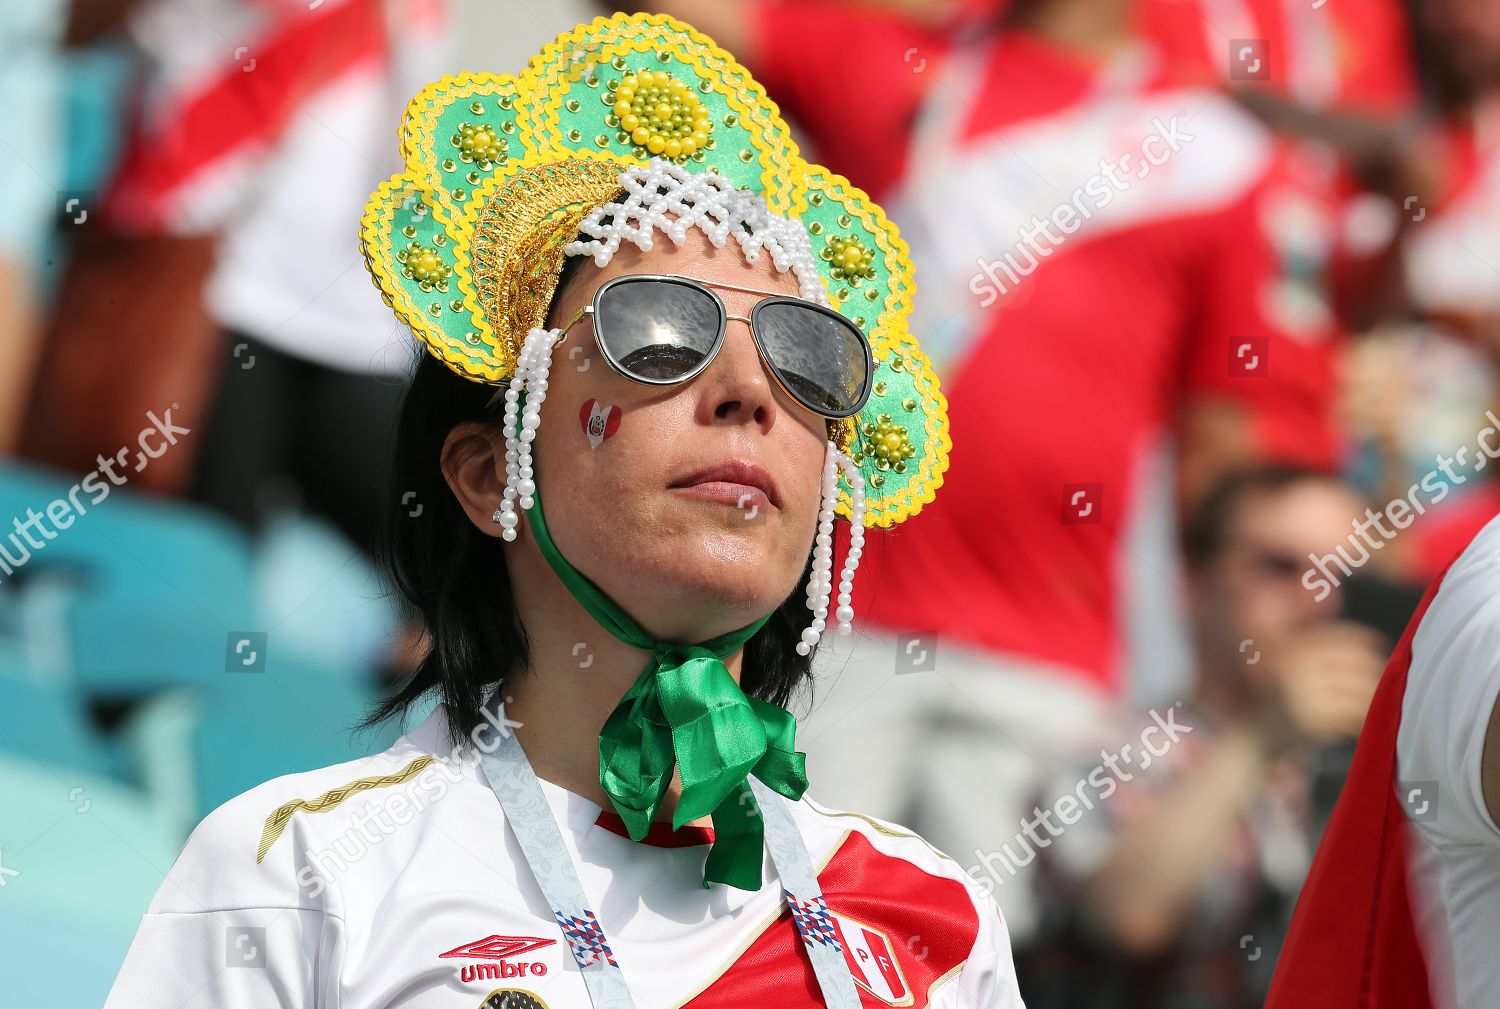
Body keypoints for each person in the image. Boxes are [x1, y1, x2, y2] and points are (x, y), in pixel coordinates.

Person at [102, 13, 1025, 1007]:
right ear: (493, 473)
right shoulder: (299, 875)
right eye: (661, 333)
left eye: (808, 357)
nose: (752, 394)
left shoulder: (933, 922)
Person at [634, 0, 1342, 942]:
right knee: (785, 950)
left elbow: (1222, 450)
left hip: (1052, 664)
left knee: (985, 963)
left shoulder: (1218, 152)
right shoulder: (898, 58)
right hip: (840, 629)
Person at [1018, 467, 1391, 1008]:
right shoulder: (1113, 742)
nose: (1320, 601)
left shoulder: (1381, 770)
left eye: (1347, 576)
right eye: (1282, 567)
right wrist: (1261, 738)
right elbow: (1128, 917)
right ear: (1197, 584)